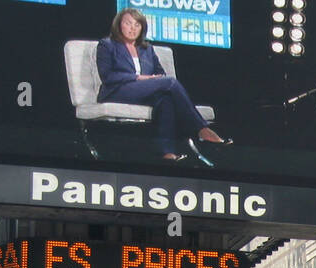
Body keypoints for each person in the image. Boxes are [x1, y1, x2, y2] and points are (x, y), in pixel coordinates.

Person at [96, 8, 232, 162]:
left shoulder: (147, 49)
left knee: (165, 99)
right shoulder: (107, 44)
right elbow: (107, 76)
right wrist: (139, 78)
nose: (132, 28)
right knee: (170, 83)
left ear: (142, 28)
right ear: (119, 25)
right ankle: (201, 129)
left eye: (137, 25)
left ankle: (167, 152)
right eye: (128, 23)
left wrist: (155, 78)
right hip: (116, 91)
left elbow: (159, 73)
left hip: (141, 92)